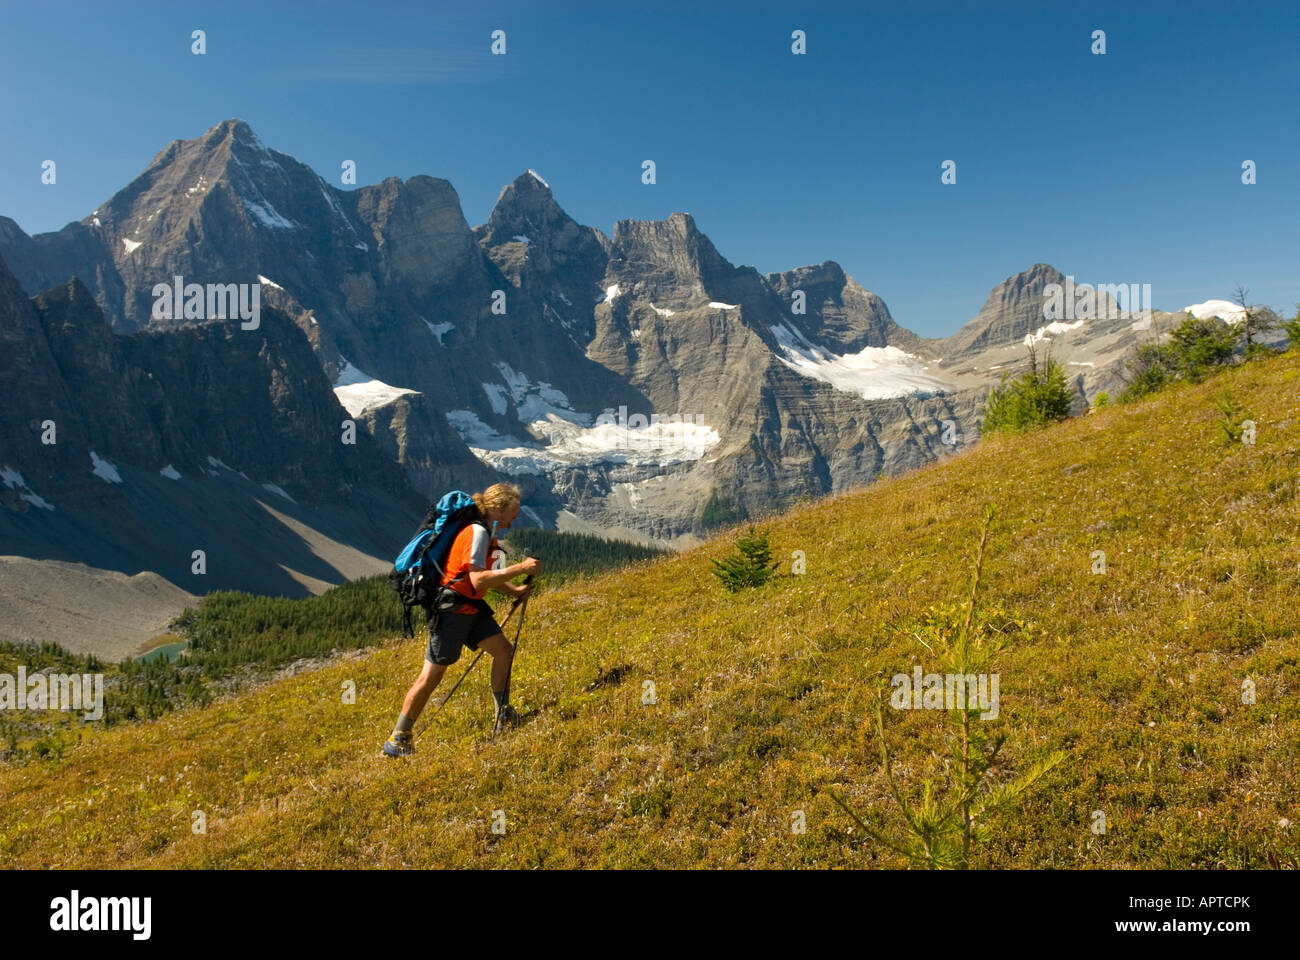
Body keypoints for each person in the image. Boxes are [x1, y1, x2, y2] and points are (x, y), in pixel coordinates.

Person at [382, 483, 541, 756]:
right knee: (431, 676)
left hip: (469, 606)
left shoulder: (486, 532)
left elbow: (483, 576)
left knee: (503, 651)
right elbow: (478, 578)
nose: (515, 518)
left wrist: (514, 590)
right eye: (513, 511)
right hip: (451, 611)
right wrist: (521, 568)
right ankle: (398, 739)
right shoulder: (477, 532)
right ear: (499, 508)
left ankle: (503, 714)